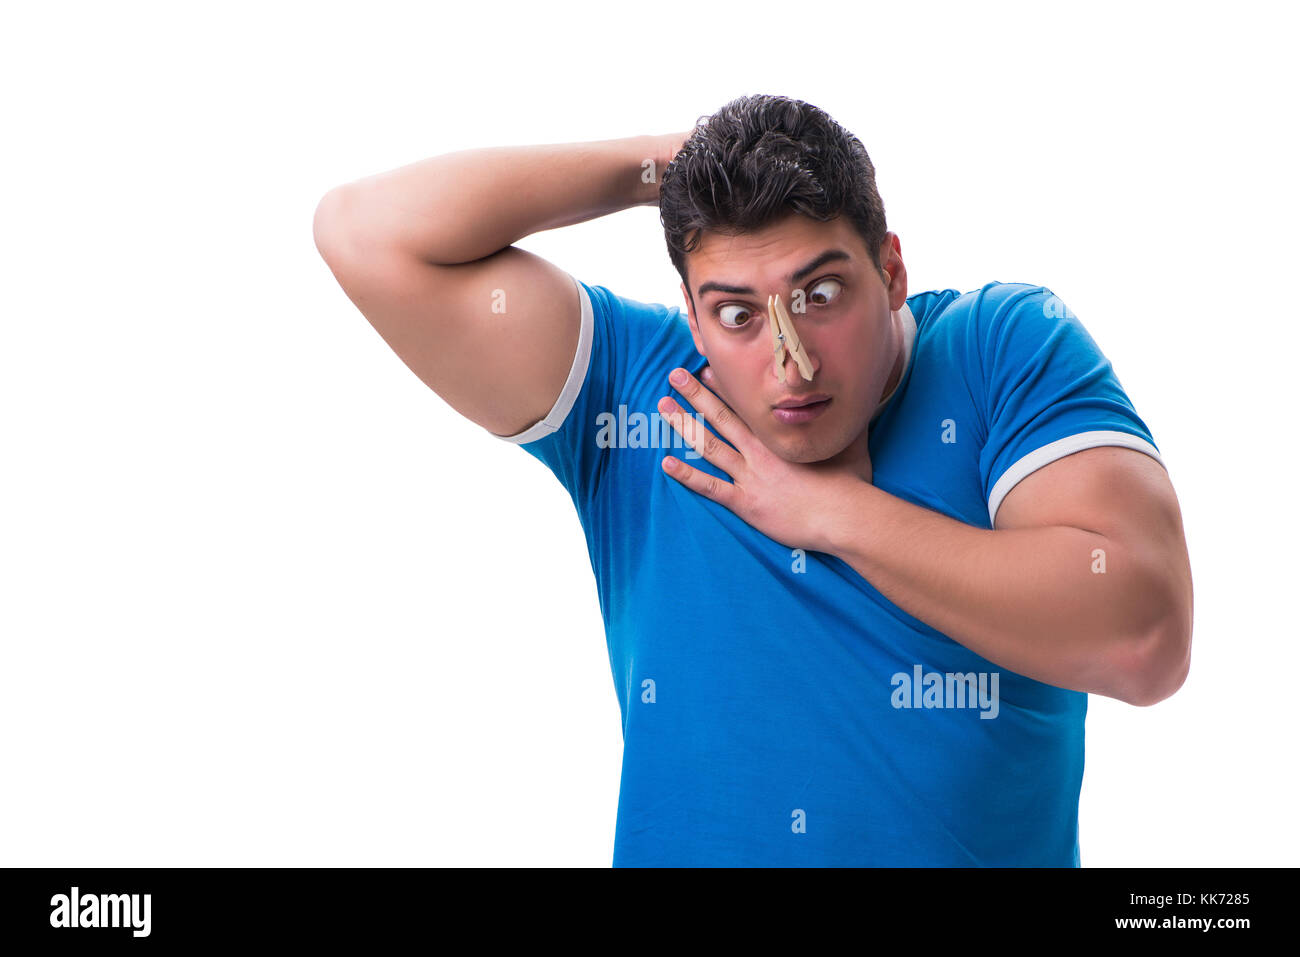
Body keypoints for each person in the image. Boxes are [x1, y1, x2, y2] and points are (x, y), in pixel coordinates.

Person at [312, 93, 1194, 866]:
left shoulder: (1003, 345)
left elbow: (1142, 636)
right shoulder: (639, 388)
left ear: (891, 269)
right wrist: (661, 164)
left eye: (819, 294)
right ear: (693, 315)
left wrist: (831, 512)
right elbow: (366, 233)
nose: (791, 361)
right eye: (737, 313)